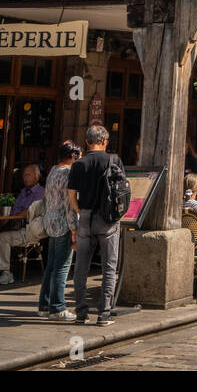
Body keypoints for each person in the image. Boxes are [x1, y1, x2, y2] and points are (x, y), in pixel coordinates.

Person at [68, 124, 123, 326]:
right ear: (105, 141)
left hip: (86, 217)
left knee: (81, 267)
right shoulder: (114, 160)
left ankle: (81, 313)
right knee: (109, 267)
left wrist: (80, 212)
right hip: (107, 218)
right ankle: (104, 313)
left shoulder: (78, 165)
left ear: (87, 142)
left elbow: (71, 196)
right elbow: (122, 191)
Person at [0, 163, 45, 282]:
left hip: (28, 229)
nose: (25, 177)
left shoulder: (41, 192)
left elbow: (29, 211)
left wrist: (12, 218)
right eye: (24, 175)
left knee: (2, 237)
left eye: (28, 175)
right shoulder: (23, 193)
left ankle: (6, 273)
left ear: (37, 177)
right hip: (14, 227)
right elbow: (14, 210)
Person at [38, 142, 80, 320]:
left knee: (51, 267)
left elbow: (47, 199)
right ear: (72, 157)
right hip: (63, 223)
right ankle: (57, 307)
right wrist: (74, 229)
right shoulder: (68, 173)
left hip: (50, 221)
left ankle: (44, 305)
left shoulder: (53, 171)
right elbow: (69, 204)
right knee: (62, 267)